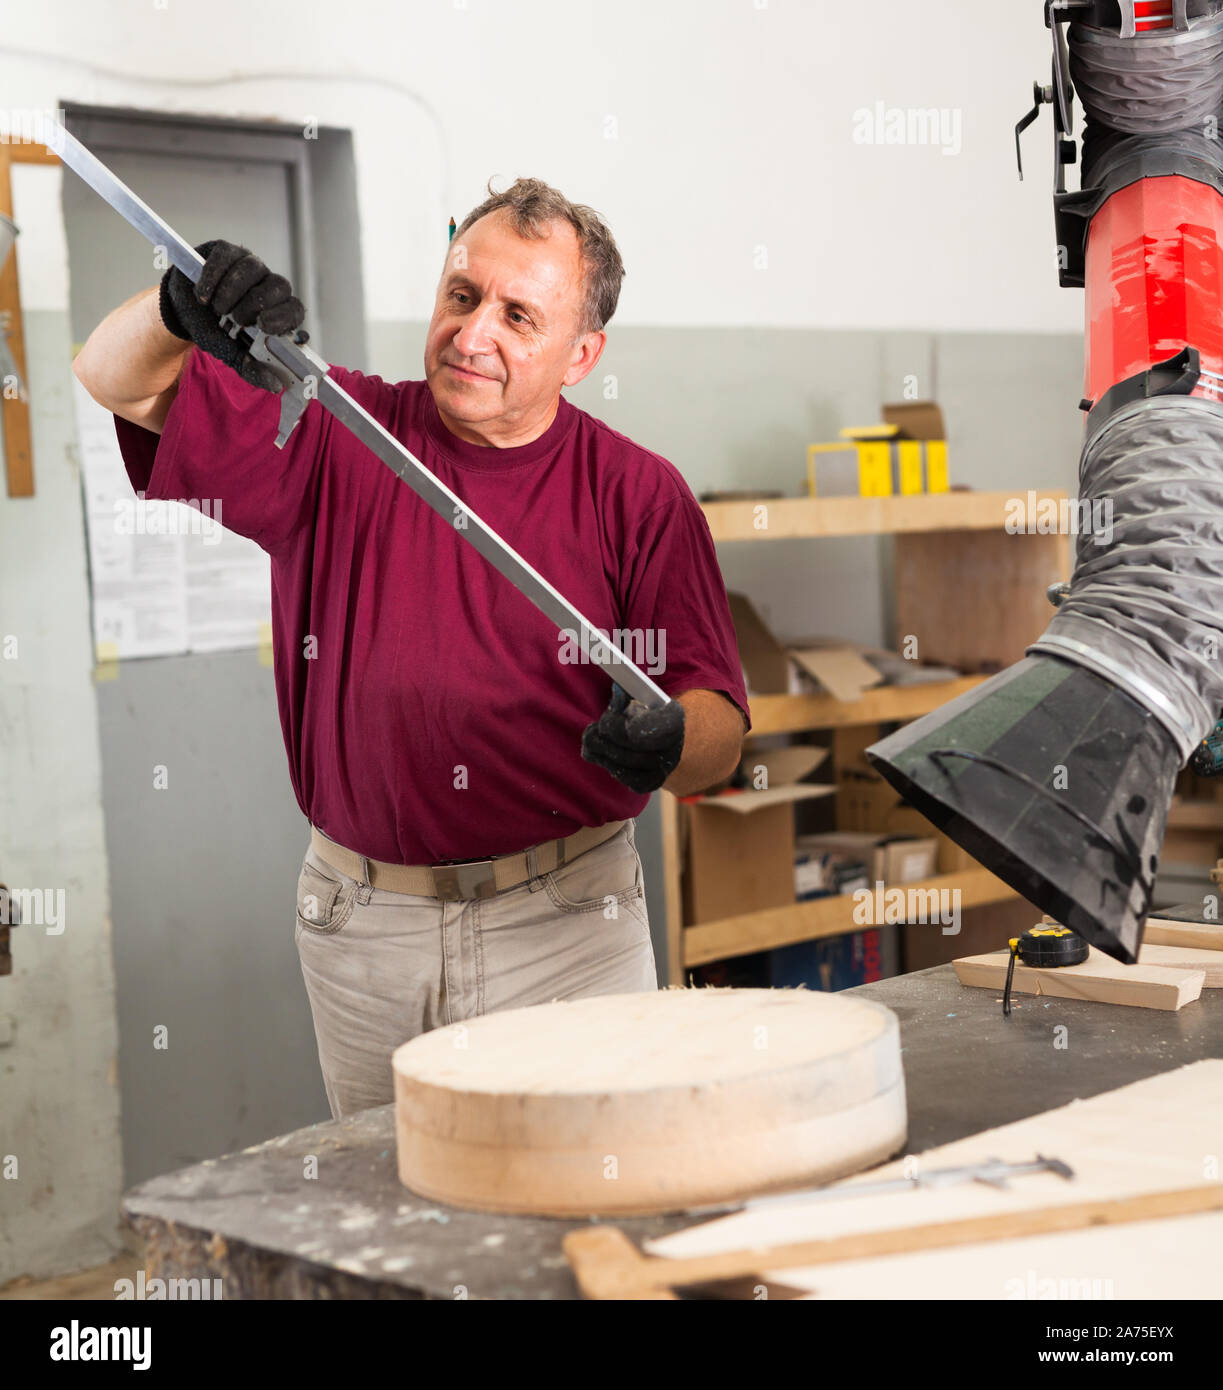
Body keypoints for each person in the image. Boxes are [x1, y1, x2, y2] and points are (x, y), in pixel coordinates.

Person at [74, 177, 750, 1118]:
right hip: (364, 926)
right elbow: (112, 376)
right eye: (462, 296)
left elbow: (719, 733)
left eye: (520, 316)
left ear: (581, 353)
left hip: (569, 923)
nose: (474, 336)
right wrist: (173, 310)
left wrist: (673, 739)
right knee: (394, 1220)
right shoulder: (332, 429)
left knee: (588, 1194)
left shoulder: (639, 494)